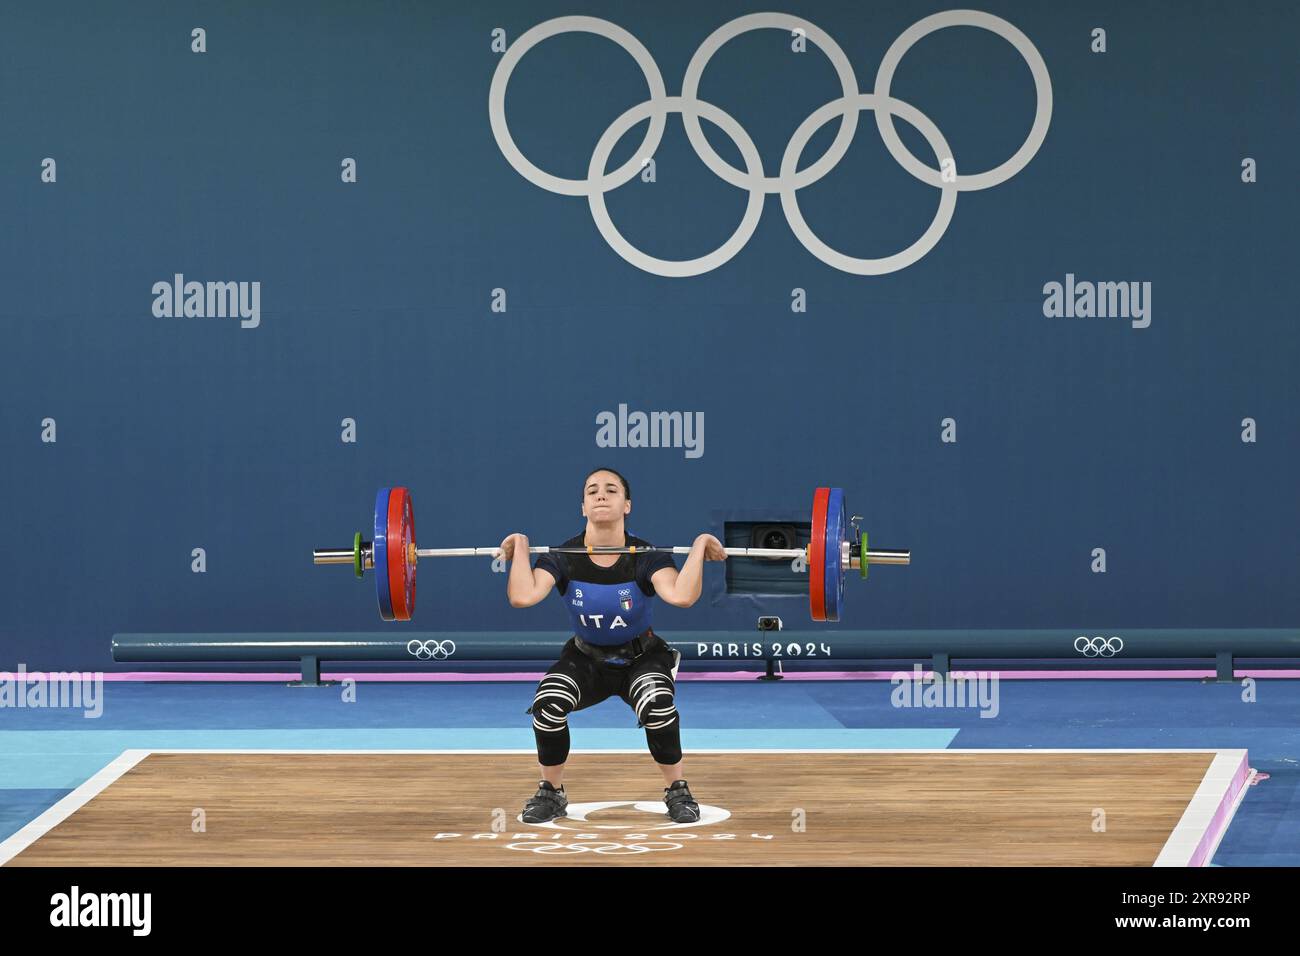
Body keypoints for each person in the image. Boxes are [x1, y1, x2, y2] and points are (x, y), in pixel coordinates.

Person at [499, 467, 725, 824]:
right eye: (592, 491)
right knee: (548, 704)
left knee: (658, 705)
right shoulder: (562, 556)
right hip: (586, 659)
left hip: (642, 658)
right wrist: (521, 549)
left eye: (611, 490)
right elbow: (523, 596)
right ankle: (551, 792)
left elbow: (681, 596)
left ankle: (678, 789)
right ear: (583, 507)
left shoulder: (646, 555)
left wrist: (698, 548)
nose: (601, 495)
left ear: (627, 504)